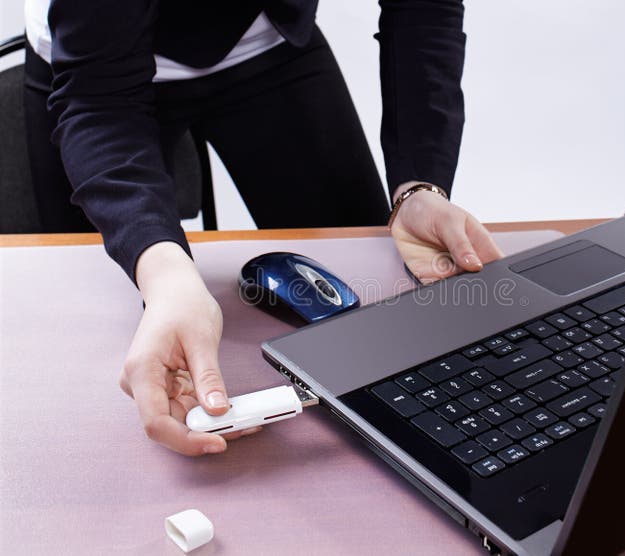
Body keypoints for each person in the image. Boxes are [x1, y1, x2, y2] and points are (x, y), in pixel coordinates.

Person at [24, 0, 503, 456]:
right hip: (97, 64)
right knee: (95, 358)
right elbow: (100, 102)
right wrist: (166, 276)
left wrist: (418, 185)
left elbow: (422, 10)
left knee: (368, 300)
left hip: (263, 44)